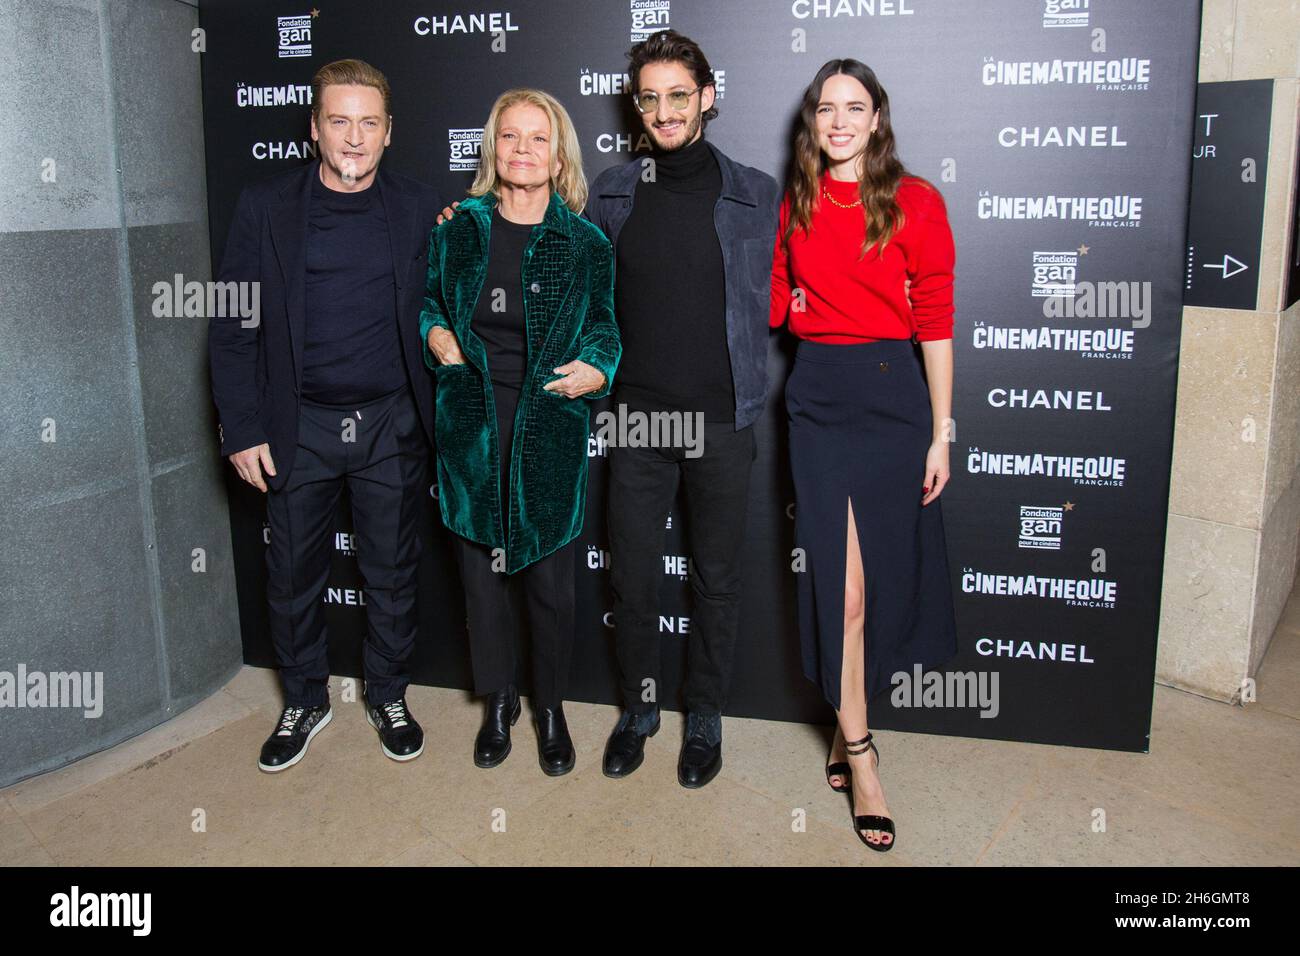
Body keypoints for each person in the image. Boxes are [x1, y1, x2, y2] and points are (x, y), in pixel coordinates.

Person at [210, 59, 444, 771]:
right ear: (314, 129)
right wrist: (242, 427)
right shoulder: (266, 206)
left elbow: (451, 305)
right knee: (291, 577)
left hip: (389, 425)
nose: (353, 136)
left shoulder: (418, 208)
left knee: (392, 572)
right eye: (338, 121)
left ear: (389, 133)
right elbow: (231, 323)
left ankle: (389, 693)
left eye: (368, 122)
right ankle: (306, 698)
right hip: (296, 426)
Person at [770, 59, 959, 849]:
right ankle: (860, 751)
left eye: (855, 107)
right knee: (840, 594)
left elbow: (937, 322)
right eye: (826, 108)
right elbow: (778, 300)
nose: (839, 121)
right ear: (811, 122)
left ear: (878, 117)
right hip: (817, 399)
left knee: (879, 587)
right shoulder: (799, 202)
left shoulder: (915, 202)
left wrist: (941, 429)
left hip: (893, 399)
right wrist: (802, 304)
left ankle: (853, 725)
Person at [585, 30, 780, 788]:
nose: (664, 111)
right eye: (649, 97)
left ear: (706, 96)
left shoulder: (756, 193)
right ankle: (639, 713)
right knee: (633, 579)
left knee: (717, 580)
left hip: (723, 419)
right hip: (637, 420)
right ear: (637, 106)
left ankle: (705, 716)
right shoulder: (612, 189)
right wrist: (459, 224)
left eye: (678, 95)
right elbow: (562, 263)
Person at [420, 89, 620, 776]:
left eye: (538, 138)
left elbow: (604, 326)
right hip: (473, 423)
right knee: (481, 581)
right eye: (511, 137)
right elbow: (428, 304)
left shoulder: (585, 240)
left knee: (550, 586)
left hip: (549, 424)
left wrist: (598, 368)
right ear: (493, 148)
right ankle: (499, 701)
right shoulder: (460, 228)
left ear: (558, 152)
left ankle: (552, 708)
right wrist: (437, 334)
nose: (524, 150)